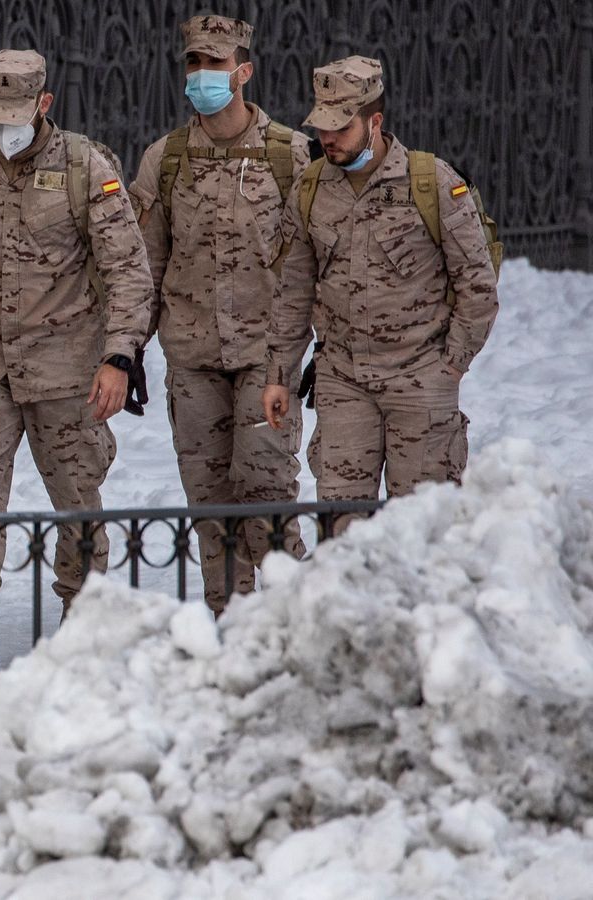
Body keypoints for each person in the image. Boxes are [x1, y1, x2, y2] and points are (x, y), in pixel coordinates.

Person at [0, 50, 154, 691]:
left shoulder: (84, 168)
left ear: (44, 105)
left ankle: (85, 630)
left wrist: (118, 358)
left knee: (76, 499)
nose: (4, 130)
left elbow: (129, 272)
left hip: (68, 362)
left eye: (16, 116)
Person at [126, 15, 311, 615]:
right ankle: (227, 621)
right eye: (194, 64)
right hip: (193, 357)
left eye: (216, 63)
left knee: (264, 488)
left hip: (268, 357)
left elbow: (323, 258)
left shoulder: (291, 155)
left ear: (244, 71)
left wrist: (324, 345)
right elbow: (145, 266)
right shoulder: (167, 159)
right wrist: (124, 348)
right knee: (209, 503)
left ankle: (292, 617)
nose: (203, 75)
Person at [263, 56, 498, 504]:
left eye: (341, 127)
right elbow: (292, 291)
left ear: (375, 121)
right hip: (342, 382)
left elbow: (478, 286)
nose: (327, 139)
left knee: (423, 532)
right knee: (343, 530)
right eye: (321, 128)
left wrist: (449, 367)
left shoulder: (432, 183)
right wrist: (278, 375)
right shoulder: (310, 189)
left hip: (420, 381)